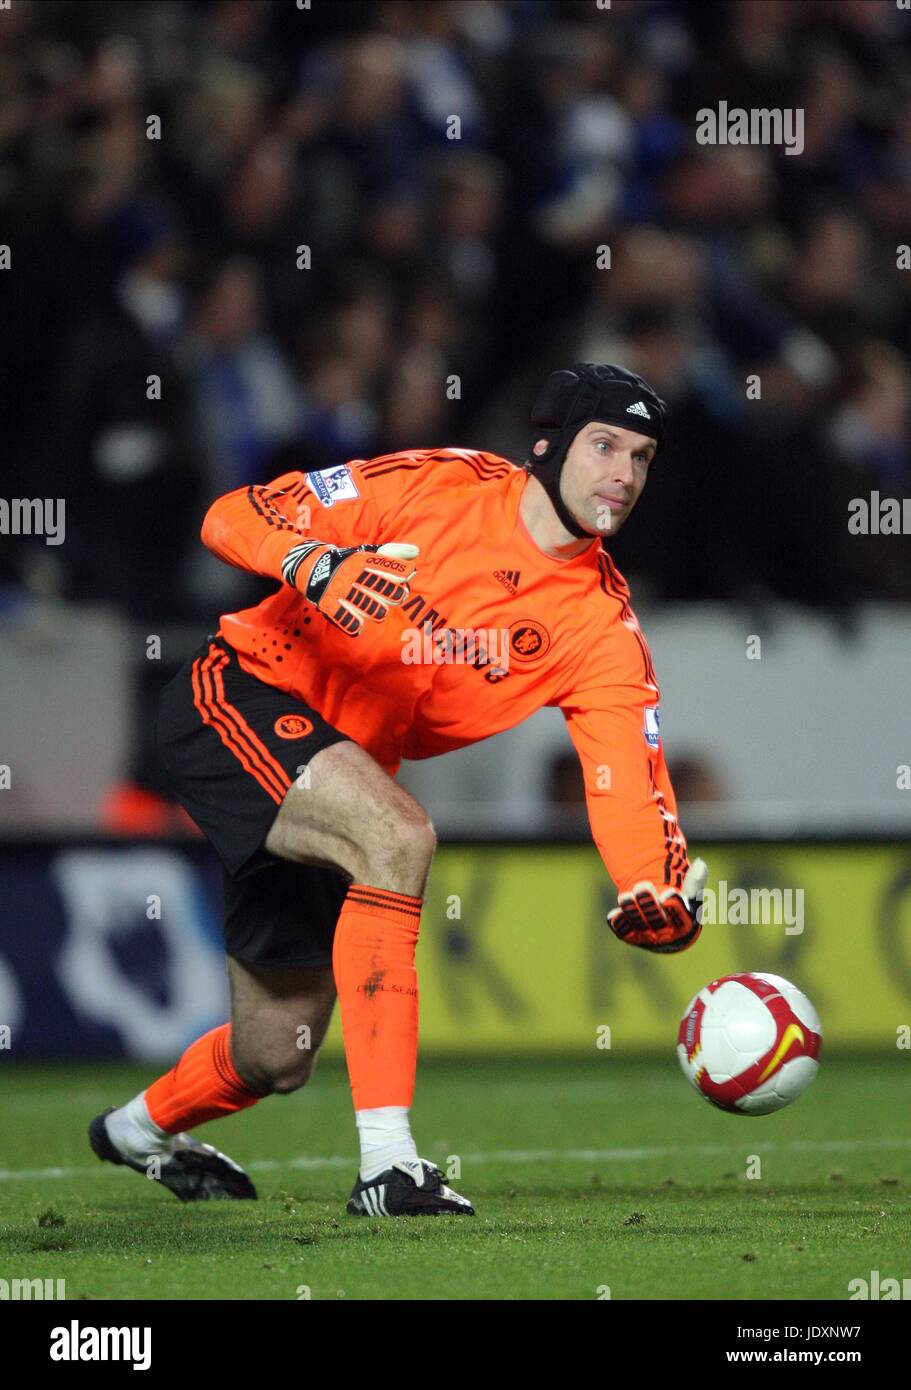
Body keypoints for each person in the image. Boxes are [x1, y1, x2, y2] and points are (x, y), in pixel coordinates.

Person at [89, 362, 708, 1216]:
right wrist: (308, 561)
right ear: (548, 446)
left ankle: (137, 1129)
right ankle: (389, 1165)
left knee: (280, 1050)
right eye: (604, 446)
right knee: (399, 836)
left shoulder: (599, 626)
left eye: (641, 457)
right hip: (237, 693)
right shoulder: (438, 484)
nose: (623, 474)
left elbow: (624, 777)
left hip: (334, 772)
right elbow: (233, 514)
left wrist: (653, 884)